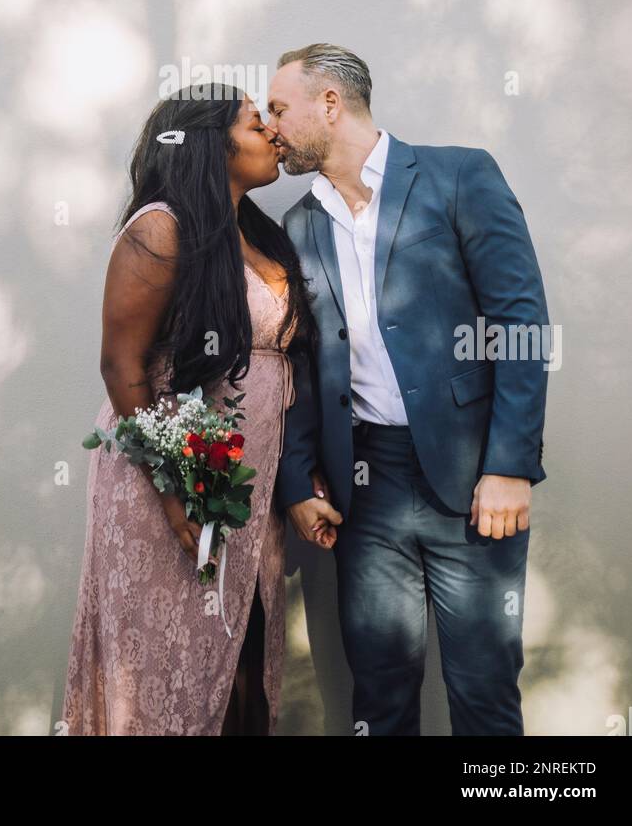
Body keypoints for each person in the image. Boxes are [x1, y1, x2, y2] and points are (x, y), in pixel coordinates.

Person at [268, 42, 551, 736]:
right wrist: (301, 482)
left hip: (471, 478)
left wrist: (510, 465)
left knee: (483, 691)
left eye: (279, 108)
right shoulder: (300, 224)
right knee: (381, 695)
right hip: (367, 488)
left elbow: (521, 324)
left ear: (329, 104)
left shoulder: (460, 176)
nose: (271, 127)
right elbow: (301, 366)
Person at [60, 83, 333, 735]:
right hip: (171, 487)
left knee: (241, 661)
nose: (272, 132)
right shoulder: (161, 226)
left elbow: (286, 373)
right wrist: (179, 490)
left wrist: (299, 476)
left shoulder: (260, 236)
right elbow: (122, 366)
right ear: (208, 144)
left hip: (250, 491)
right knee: (163, 668)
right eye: (252, 123)